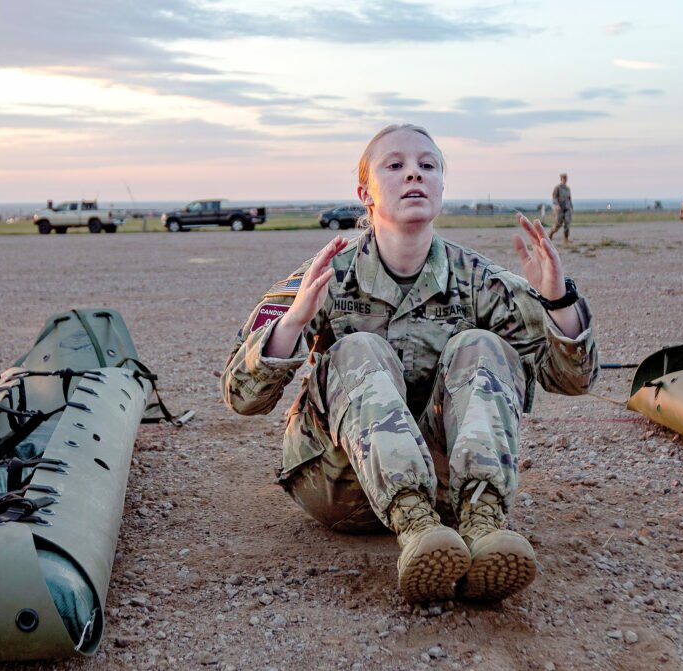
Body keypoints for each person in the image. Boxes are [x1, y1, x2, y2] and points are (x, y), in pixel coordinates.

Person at [221, 124, 597, 606]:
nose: (414, 174)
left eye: (427, 165)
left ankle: (483, 525)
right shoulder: (327, 275)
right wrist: (293, 323)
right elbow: (241, 397)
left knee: (482, 345)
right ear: (365, 193)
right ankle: (414, 527)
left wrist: (558, 302)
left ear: (441, 186)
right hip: (340, 484)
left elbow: (574, 380)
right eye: (395, 165)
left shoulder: (480, 280)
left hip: (446, 490)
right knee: (359, 349)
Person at [550, 173, 573, 241]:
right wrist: (556, 205)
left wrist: (571, 207)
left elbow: (569, 199)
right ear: (561, 179)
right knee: (558, 224)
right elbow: (554, 197)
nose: (565, 180)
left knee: (567, 223)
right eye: (564, 178)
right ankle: (550, 234)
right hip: (560, 209)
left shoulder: (567, 188)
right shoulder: (557, 188)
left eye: (566, 178)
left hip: (567, 208)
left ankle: (566, 238)